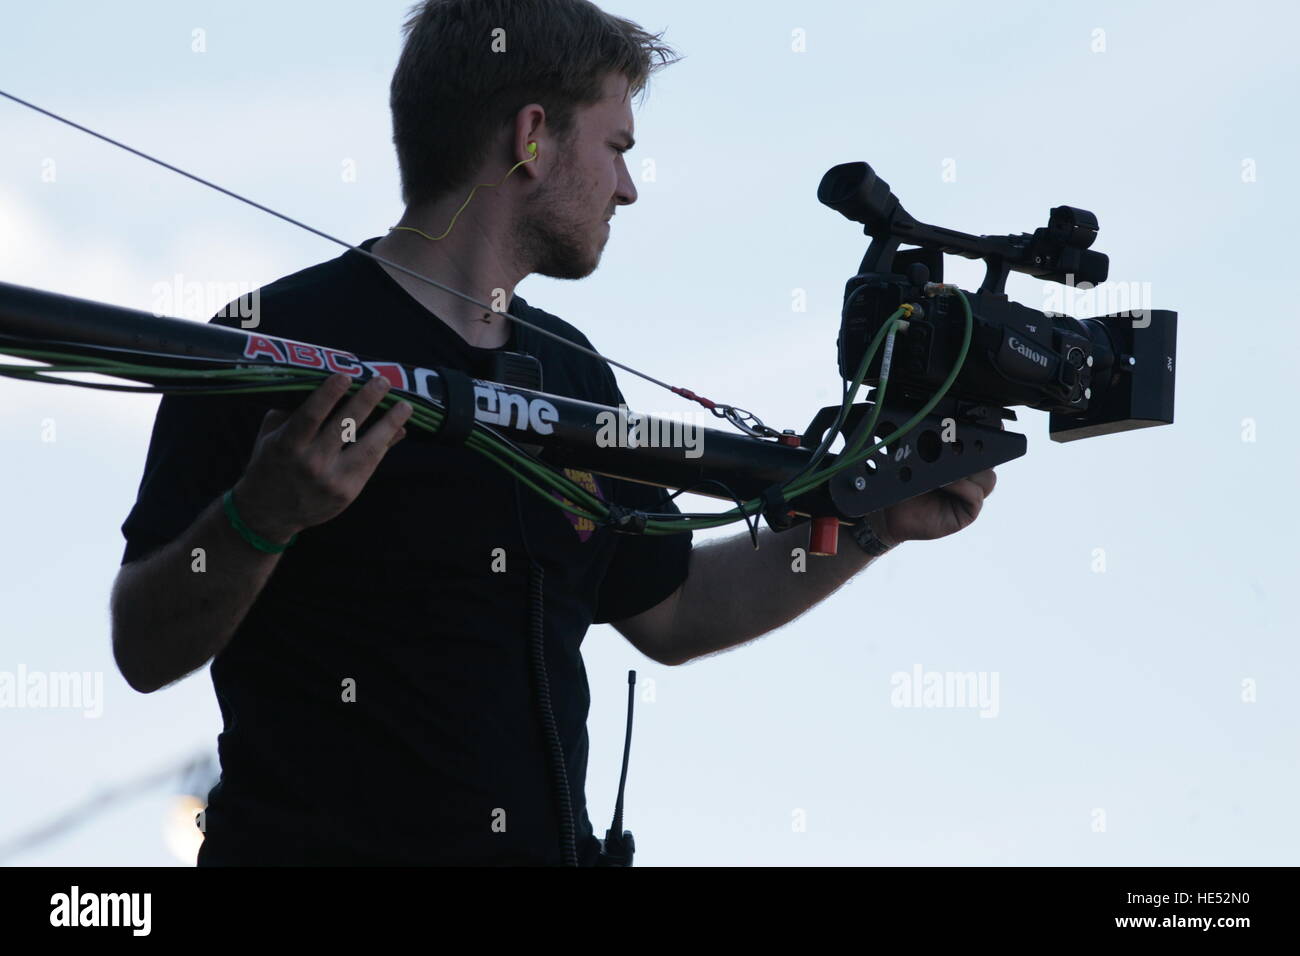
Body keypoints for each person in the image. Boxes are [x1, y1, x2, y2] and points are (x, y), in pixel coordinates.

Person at [110, 0, 996, 866]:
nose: (629, 187)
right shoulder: (272, 335)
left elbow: (675, 608)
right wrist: (262, 516)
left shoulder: (570, 370)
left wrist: (876, 523)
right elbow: (144, 647)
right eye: (616, 148)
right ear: (532, 136)